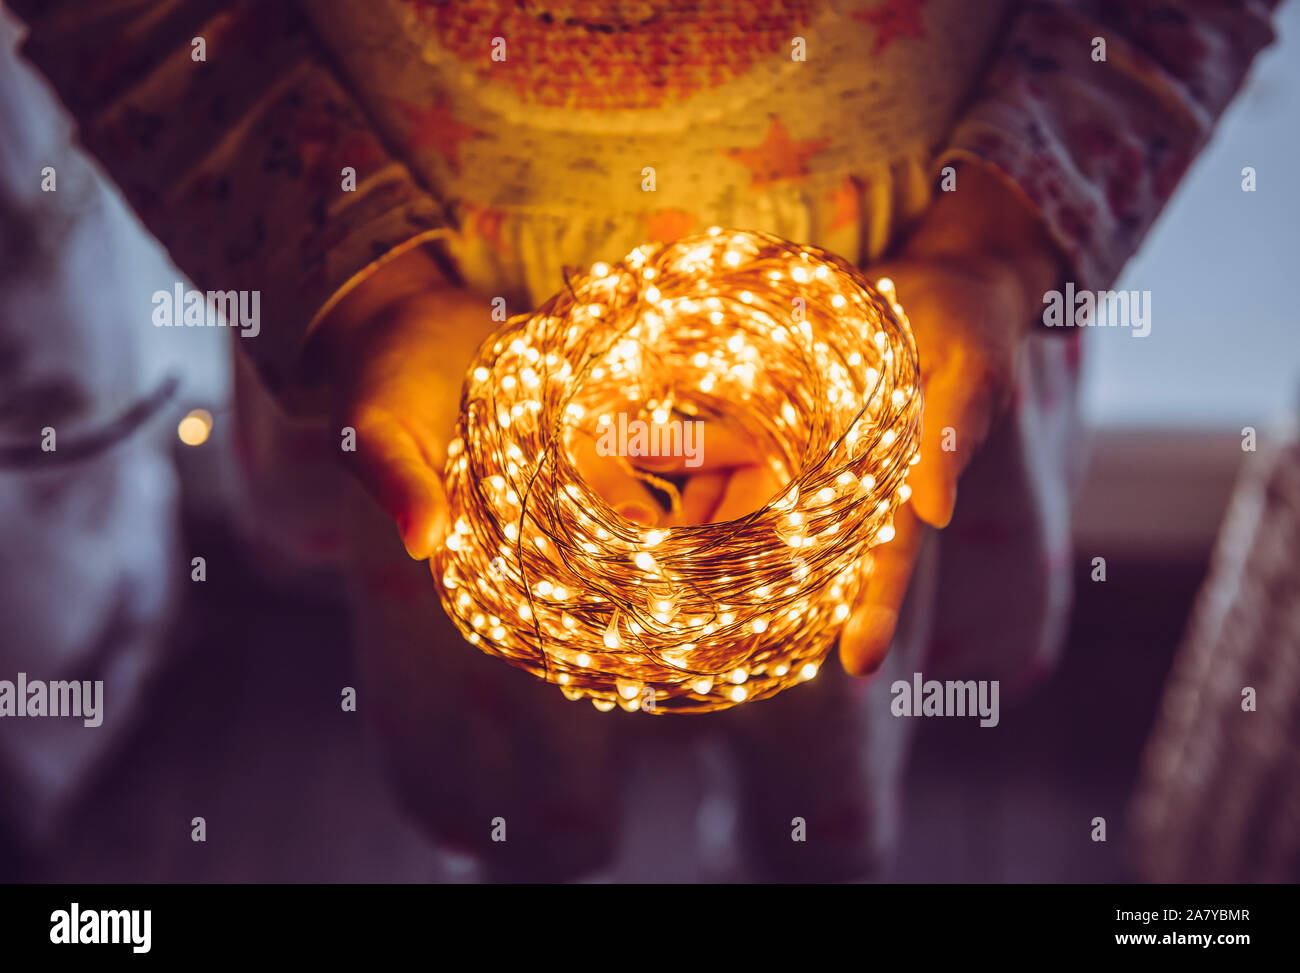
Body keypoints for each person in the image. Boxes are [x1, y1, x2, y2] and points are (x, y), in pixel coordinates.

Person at [7, 0, 1279, 880]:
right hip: (437, 365)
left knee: (827, 753)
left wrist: (997, 246)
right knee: (504, 766)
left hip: (888, 356)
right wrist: (366, 301)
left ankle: (805, 857)